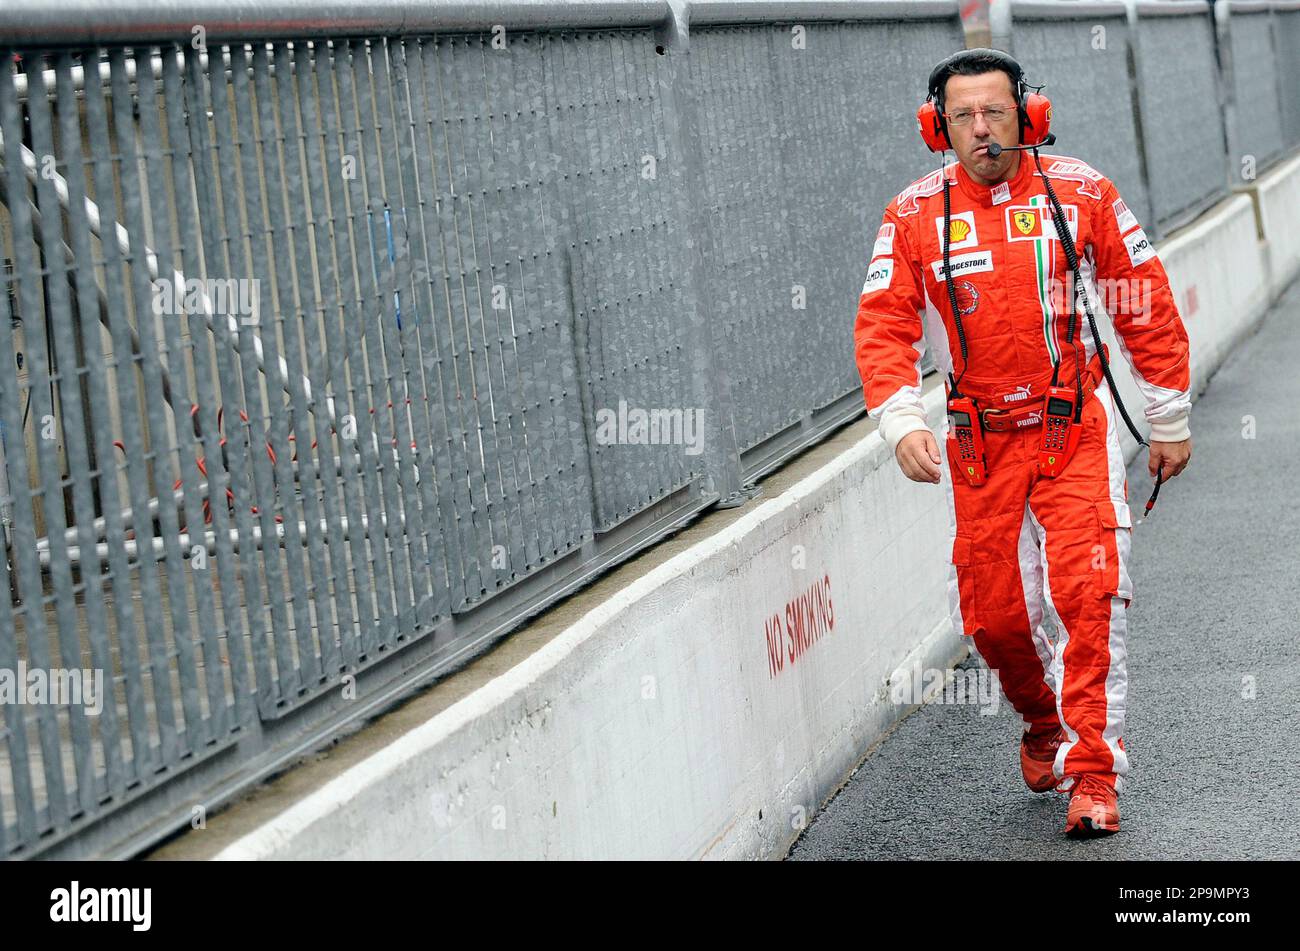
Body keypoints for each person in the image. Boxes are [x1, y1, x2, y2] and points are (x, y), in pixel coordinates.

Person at [853, 48, 1192, 837]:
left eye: (996, 112)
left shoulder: (1081, 192)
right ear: (936, 127)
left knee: (1088, 594)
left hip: (1073, 431)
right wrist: (900, 420)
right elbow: (884, 325)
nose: (982, 130)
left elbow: (1143, 300)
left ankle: (1093, 774)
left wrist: (1168, 415)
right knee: (996, 619)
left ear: (1028, 116)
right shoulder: (911, 215)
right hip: (977, 449)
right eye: (964, 115)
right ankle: (1042, 718)